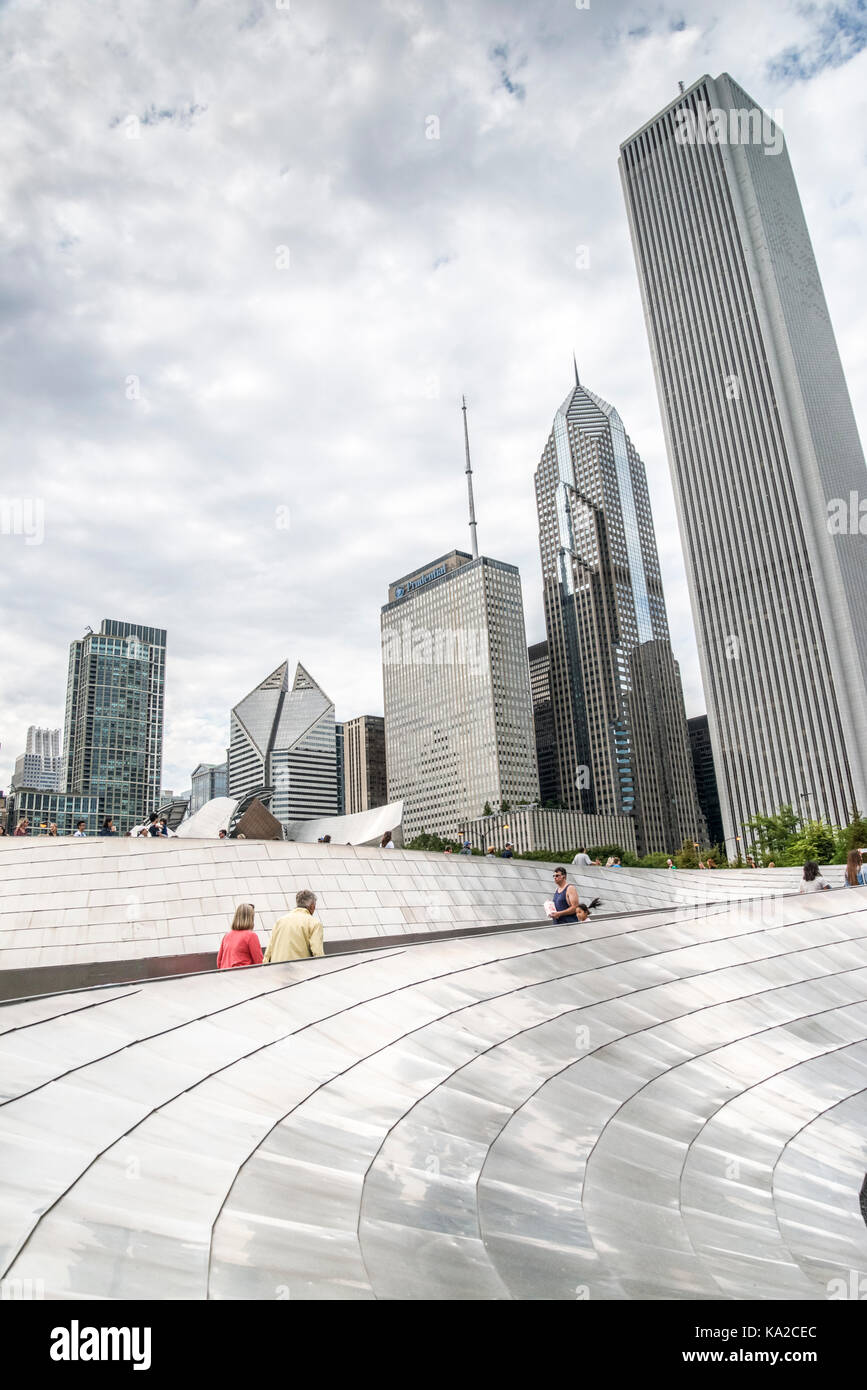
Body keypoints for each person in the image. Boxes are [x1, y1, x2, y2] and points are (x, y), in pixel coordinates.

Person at [264, 889, 325, 962]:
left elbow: (268, 952)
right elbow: (318, 953)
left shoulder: (280, 921)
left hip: (276, 969)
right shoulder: (314, 924)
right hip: (299, 970)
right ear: (312, 906)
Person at [217, 903, 264, 969]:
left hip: (226, 976)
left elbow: (219, 962)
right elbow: (259, 962)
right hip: (243, 976)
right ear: (250, 918)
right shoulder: (251, 936)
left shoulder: (226, 936)